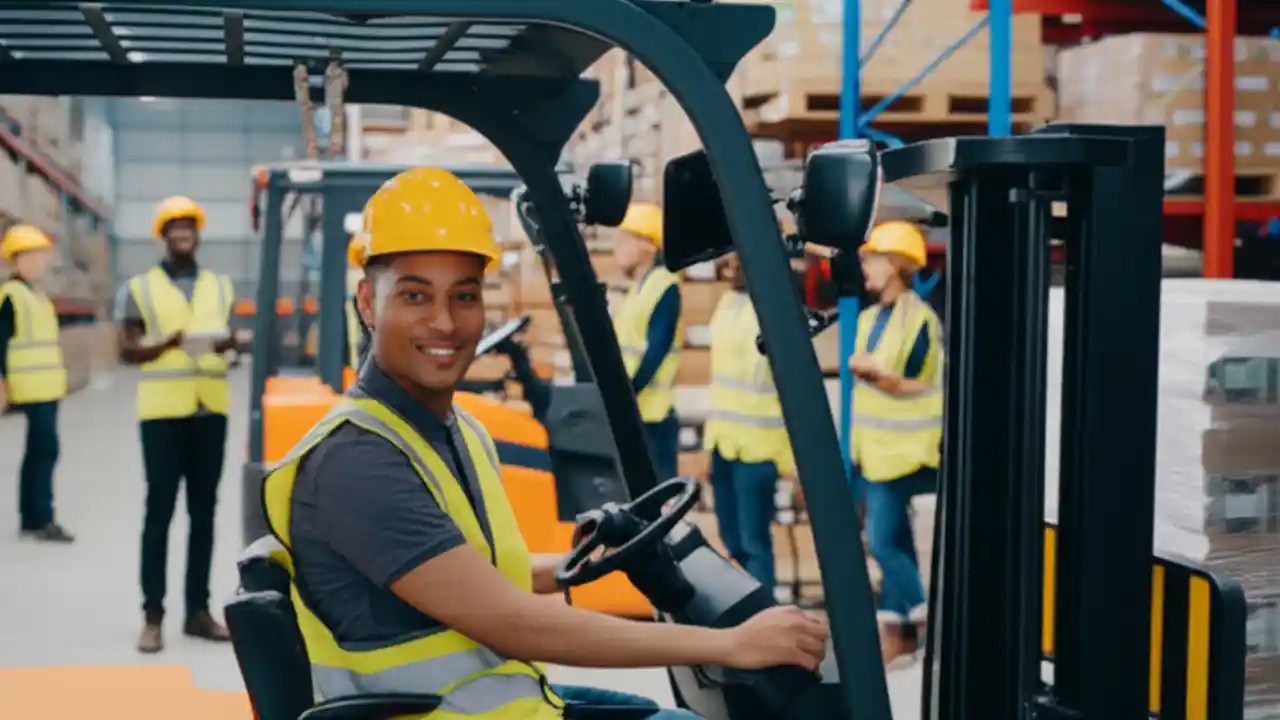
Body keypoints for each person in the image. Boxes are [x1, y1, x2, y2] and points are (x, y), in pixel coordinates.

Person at [261, 167, 828, 719]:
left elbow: (468, 574)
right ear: (367, 302)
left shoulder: (451, 431)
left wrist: (580, 562)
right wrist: (729, 645)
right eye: (415, 297)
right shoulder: (359, 463)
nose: (445, 322)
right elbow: (514, 622)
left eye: (464, 297)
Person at [115, 195, 241, 653]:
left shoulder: (219, 285)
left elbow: (229, 340)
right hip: (162, 413)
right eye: (175, 227)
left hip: (211, 410)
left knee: (204, 514)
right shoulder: (140, 287)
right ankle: (153, 616)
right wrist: (167, 343)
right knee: (160, 513)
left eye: (190, 227)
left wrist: (229, 343)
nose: (183, 233)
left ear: (198, 234)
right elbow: (125, 350)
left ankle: (198, 612)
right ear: (164, 235)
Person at [847, 220, 943, 666]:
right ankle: (900, 637)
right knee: (892, 543)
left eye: (873, 257)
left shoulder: (918, 319)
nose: (865, 264)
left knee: (883, 544)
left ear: (897, 264)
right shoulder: (869, 318)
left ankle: (927, 622)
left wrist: (877, 375)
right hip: (873, 451)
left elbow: (917, 381)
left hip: (906, 453)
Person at [702, 252, 794, 593]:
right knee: (732, 539)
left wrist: (789, 459)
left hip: (759, 448)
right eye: (727, 263)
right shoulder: (727, 304)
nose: (730, 268)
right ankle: (747, 611)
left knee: (755, 542)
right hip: (724, 443)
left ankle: (764, 617)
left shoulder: (776, 308)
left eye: (737, 262)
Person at [0, 224, 74, 543]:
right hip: (27, 387)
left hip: (46, 387)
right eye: (33, 255)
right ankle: (42, 517)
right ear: (17, 260)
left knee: (40, 451)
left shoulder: (38, 296)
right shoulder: (11, 297)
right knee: (44, 450)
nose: (40, 261)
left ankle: (31, 518)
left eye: (42, 255)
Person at [612, 202, 682, 482]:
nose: (617, 248)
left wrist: (626, 393)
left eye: (624, 240)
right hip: (636, 412)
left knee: (657, 496)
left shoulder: (665, 286)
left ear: (648, 246)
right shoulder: (635, 290)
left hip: (654, 416)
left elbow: (657, 349)